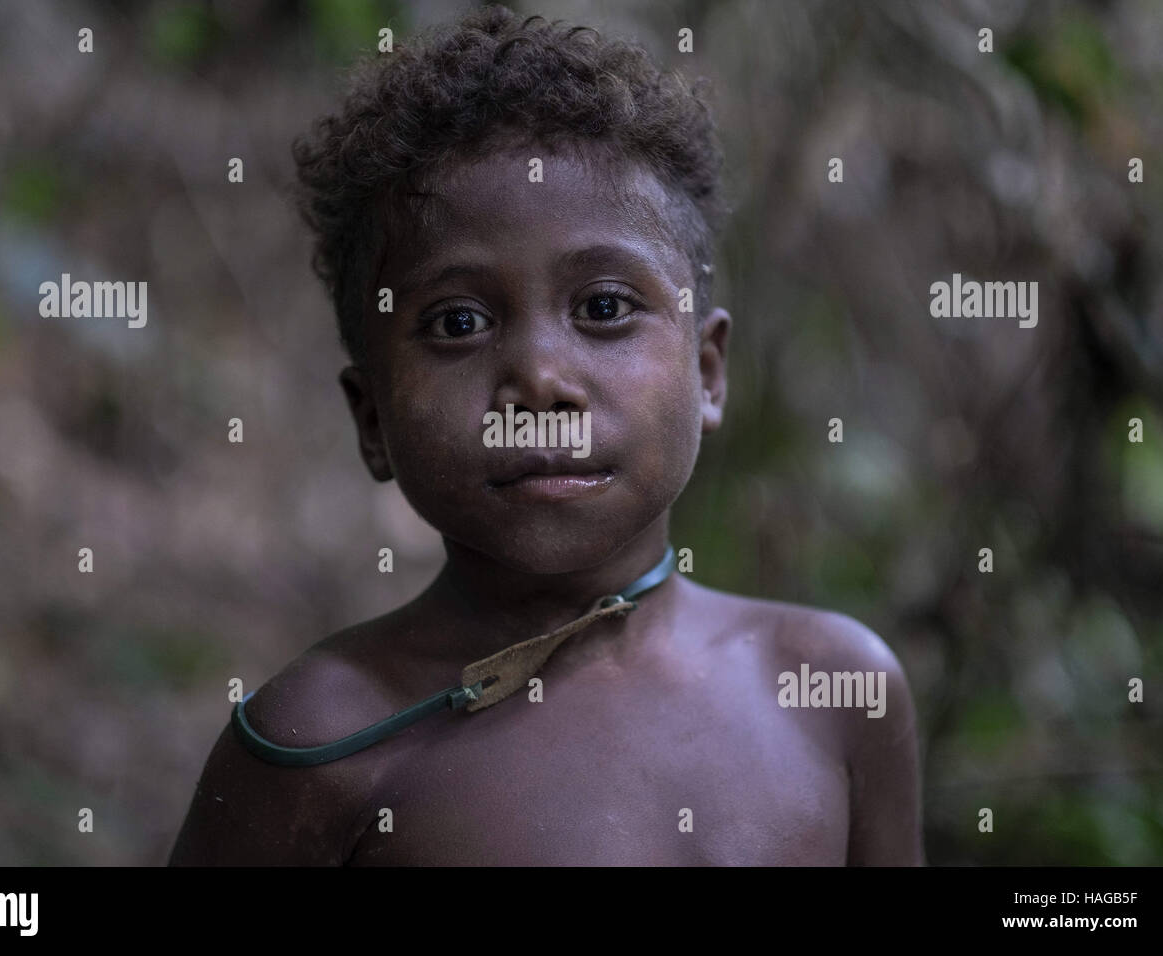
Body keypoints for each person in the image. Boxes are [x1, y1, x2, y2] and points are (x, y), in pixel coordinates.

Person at [169, 4, 922, 865]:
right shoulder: (320, 741)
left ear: (707, 372)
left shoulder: (832, 687)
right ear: (372, 420)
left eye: (604, 308)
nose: (540, 378)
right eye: (457, 323)